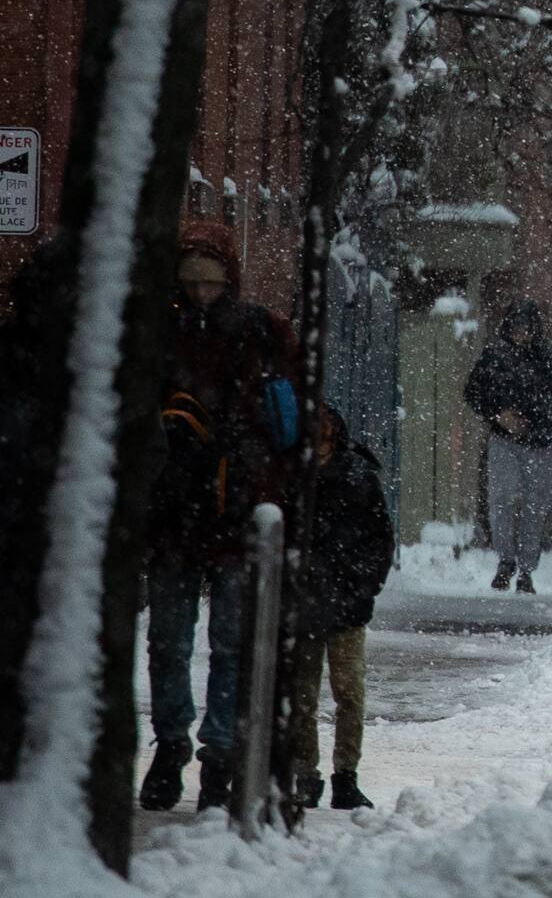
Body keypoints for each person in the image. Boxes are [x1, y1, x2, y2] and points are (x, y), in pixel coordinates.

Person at [143, 221, 296, 813]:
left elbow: (287, 421)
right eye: (191, 283)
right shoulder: (159, 331)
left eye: (211, 283)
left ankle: (218, 756)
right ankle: (173, 743)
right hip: (177, 509)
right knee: (169, 642)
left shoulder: (258, 333)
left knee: (229, 644)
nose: (202, 294)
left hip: (230, 509)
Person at [287, 402, 393, 811]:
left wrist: (362, 584)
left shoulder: (357, 477)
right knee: (304, 693)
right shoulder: (298, 476)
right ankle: (306, 773)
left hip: (343, 600)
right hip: (310, 598)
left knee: (348, 692)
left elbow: (379, 540)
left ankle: (344, 775)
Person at [463, 298, 552, 593]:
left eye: (525, 328)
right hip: (504, 440)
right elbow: (473, 392)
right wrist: (498, 414)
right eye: (516, 327)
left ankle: (527, 568)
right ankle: (506, 559)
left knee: (534, 505)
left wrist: (550, 423)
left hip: (541, 443)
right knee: (502, 499)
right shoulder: (495, 356)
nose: (520, 333)